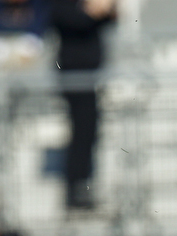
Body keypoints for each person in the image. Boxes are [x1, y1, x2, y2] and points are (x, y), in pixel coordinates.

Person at [51, 0, 117, 210]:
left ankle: (84, 185)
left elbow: (110, 18)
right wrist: (91, 12)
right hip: (74, 75)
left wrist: (105, 9)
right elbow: (69, 19)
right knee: (80, 133)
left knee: (89, 131)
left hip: (90, 76)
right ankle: (76, 189)